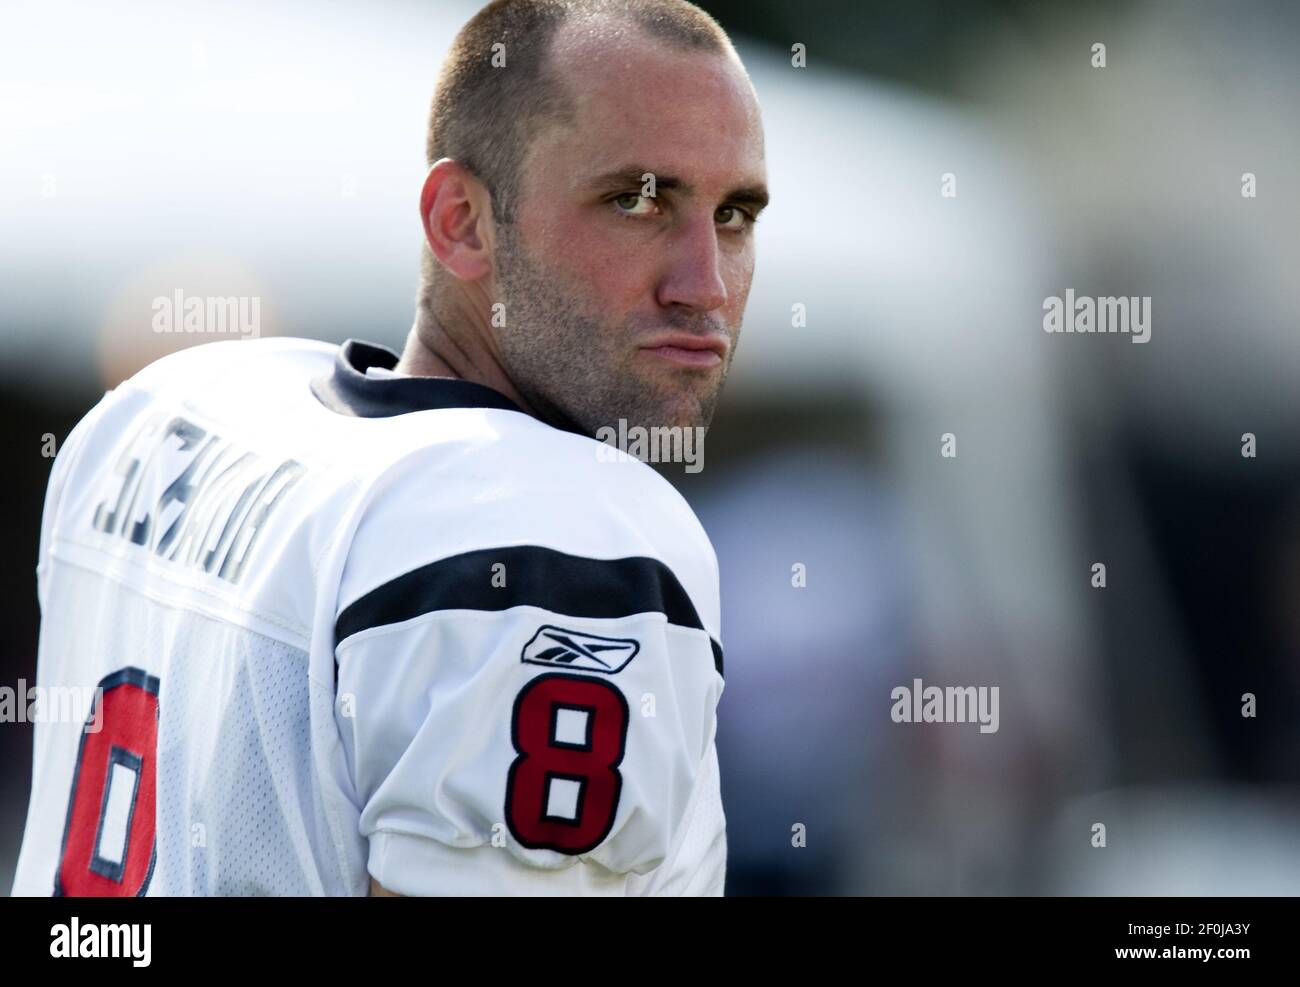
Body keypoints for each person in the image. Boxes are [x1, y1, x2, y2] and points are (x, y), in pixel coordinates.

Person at [11, 0, 769, 896]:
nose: (705, 284)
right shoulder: (555, 533)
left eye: (735, 214)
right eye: (637, 201)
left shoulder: (157, 414)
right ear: (461, 220)